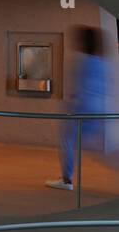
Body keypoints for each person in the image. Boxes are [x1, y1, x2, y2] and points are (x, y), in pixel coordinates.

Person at [48, 25, 113, 191]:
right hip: (100, 109)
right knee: (99, 150)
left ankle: (66, 180)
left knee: (68, 140)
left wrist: (69, 108)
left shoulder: (82, 61)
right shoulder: (103, 63)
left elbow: (78, 89)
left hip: (83, 107)